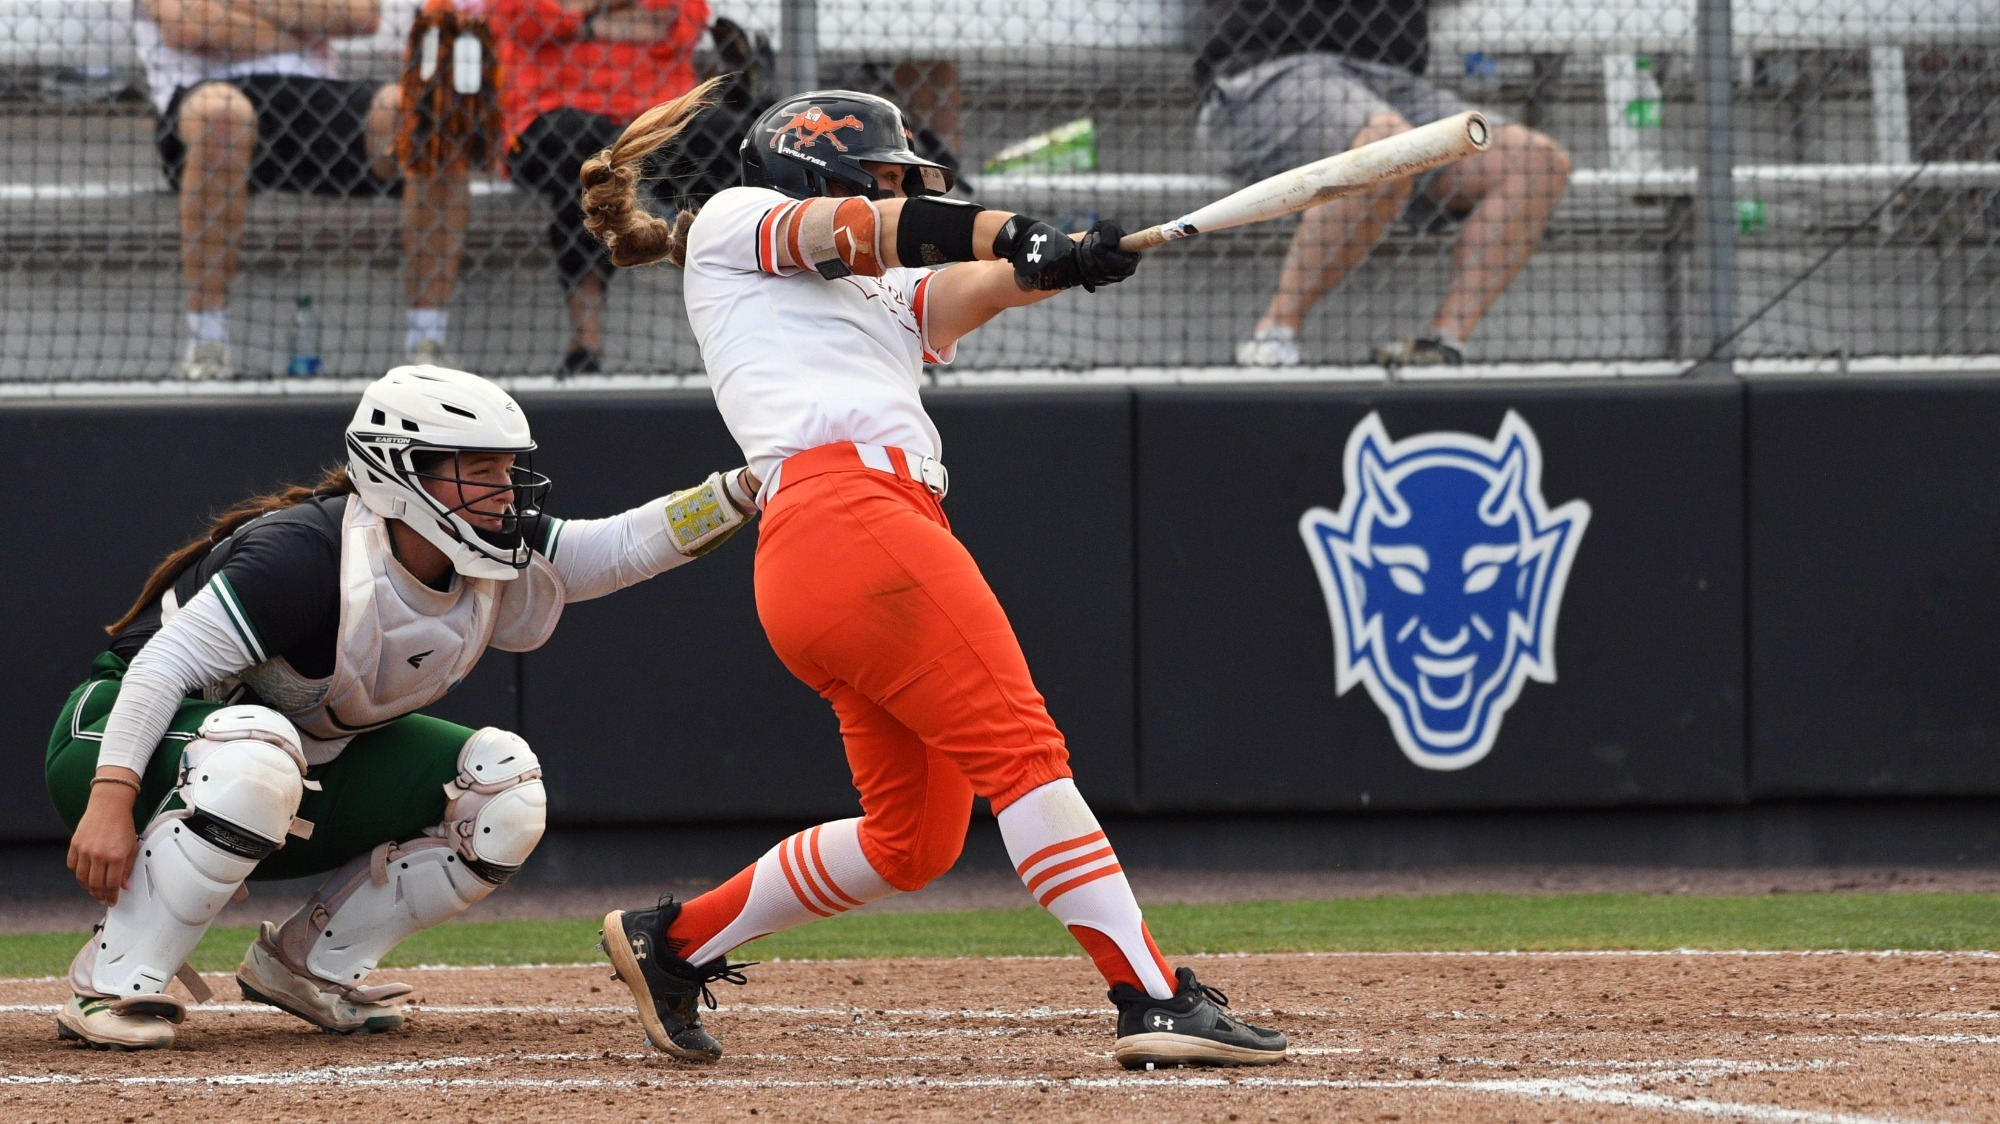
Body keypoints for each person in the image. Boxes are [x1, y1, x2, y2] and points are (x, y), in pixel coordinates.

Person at [578, 82, 1290, 1070]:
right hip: (849, 522)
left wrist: (1070, 259)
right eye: (877, 164)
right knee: (1023, 751)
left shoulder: (869, 292)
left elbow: (973, 283)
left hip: (842, 546)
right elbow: (884, 228)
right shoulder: (738, 225)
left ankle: (676, 941)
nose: (894, 180)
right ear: (814, 158)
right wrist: (1015, 228)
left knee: (910, 839)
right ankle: (1151, 994)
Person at [47, 364, 757, 1049]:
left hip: (279, 762)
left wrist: (741, 491)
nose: (505, 490)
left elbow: (625, 546)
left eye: (507, 468)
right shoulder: (305, 553)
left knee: (503, 787)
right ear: (399, 470)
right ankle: (110, 982)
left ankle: (308, 968)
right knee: (257, 751)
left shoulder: (496, 551)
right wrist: (112, 800)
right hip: (117, 738)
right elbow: (160, 666)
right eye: (479, 470)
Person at [1196, 0, 1573, 368]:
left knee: (1536, 163)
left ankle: (1442, 345)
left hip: (1393, 82)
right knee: (1387, 146)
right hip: (1269, 72)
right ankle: (1274, 335)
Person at [137, 0, 475, 379]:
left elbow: (360, 16)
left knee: (434, 118)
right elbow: (190, 26)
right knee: (223, 116)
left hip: (317, 94)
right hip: (205, 96)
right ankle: (208, 343)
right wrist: (296, 27)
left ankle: (427, 344)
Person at [485, 0, 710, 375]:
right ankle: (584, 346)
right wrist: (616, 14)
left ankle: (731, 331)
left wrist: (580, 18)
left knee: (725, 134)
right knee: (588, 155)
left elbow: (680, 23)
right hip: (550, 113)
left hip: (656, 111)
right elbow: (524, 19)